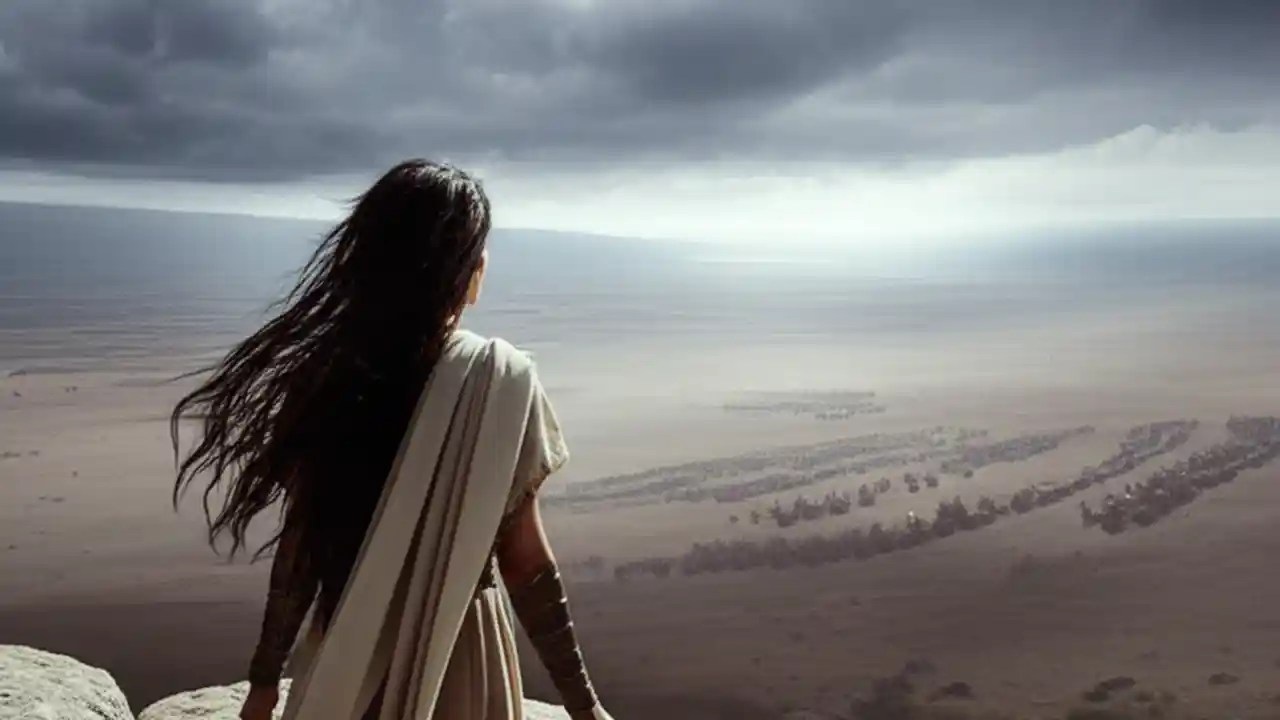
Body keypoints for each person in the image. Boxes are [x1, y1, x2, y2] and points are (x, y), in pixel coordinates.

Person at [170, 160, 612, 720]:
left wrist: (265, 683)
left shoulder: (325, 376)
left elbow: (302, 550)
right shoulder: (498, 383)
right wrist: (584, 706)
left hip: (345, 646)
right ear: (467, 273)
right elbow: (525, 563)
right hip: (457, 656)